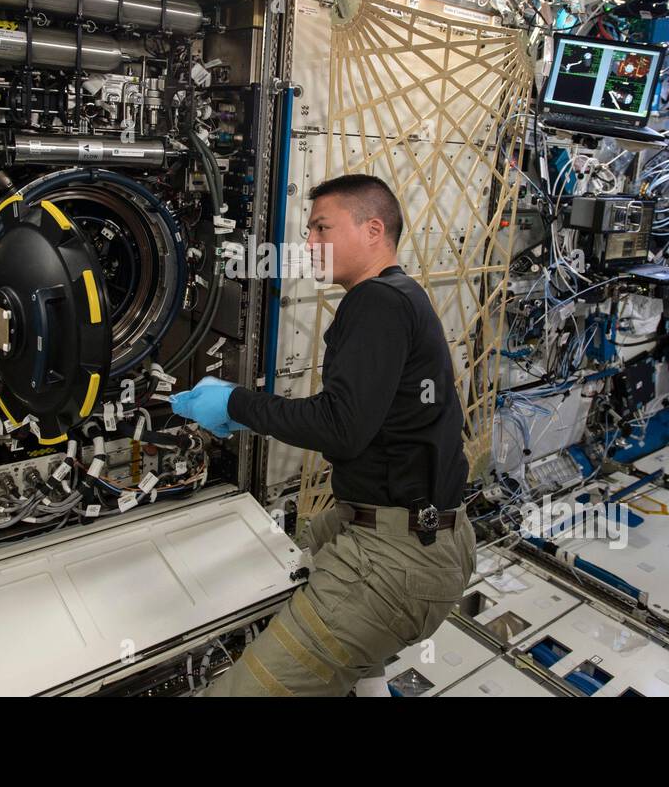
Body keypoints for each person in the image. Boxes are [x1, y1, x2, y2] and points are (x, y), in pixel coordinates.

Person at [170, 173, 476, 696]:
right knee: (287, 551)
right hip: (429, 536)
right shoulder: (406, 297)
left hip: (396, 561)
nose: (308, 244)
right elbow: (376, 420)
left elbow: (342, 429)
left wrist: (235, 402)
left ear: (373, 229)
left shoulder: (374, 302)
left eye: (320, 229)